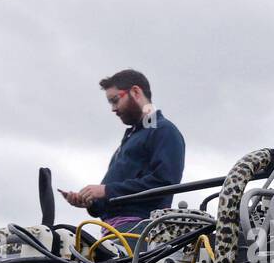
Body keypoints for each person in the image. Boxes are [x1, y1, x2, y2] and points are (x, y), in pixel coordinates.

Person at [61, 69, 185, 234]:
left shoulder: (163, 130)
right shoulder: (132, 138)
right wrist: (91, 202)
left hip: (139, 230)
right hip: (114, 232)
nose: (113, 108)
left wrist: (106, 190)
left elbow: (165, 182)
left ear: (135, 92)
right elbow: (109, 200)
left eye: (115, 100)